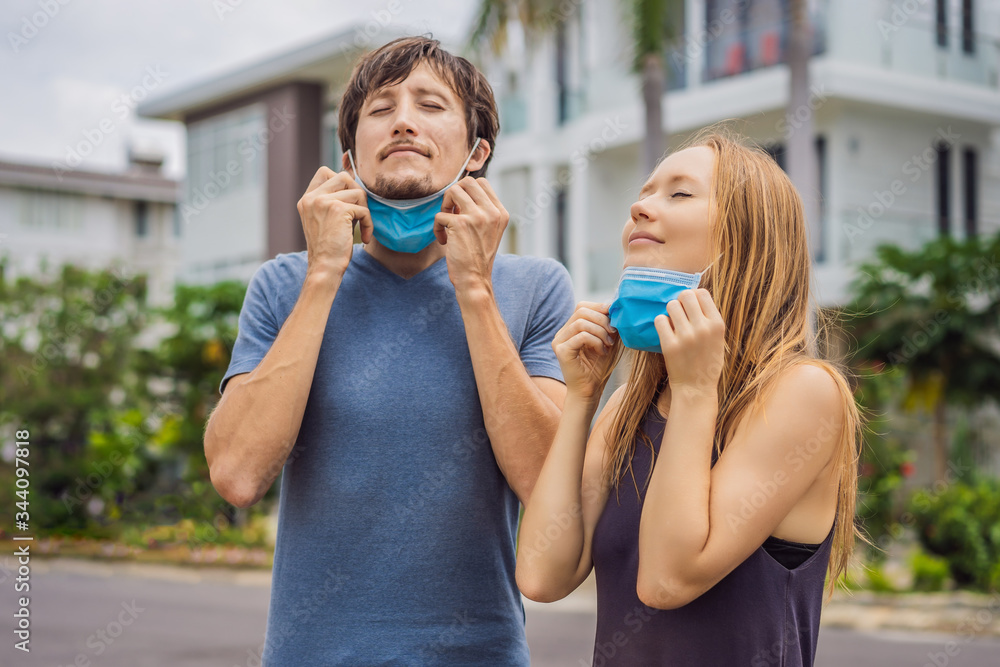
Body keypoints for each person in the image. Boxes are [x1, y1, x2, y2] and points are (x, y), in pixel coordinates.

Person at [204, 36, 574, 665]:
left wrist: (475, 290)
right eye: (381, 109)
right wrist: (324, 273)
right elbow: (237, 475)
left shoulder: (537, 288)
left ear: (476, 151)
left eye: (431, 104)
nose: (403, 118)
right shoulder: (282, 284)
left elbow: (549, 483)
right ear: (349, 156)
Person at [515, 129, 863, 666]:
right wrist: (583, 398)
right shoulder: (628, 406)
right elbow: (541, 575)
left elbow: (666, 579)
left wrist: (698, 390)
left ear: (747, 236)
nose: (640, 206)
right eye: (644, 193)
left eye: (678, 194)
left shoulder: (802, 392)